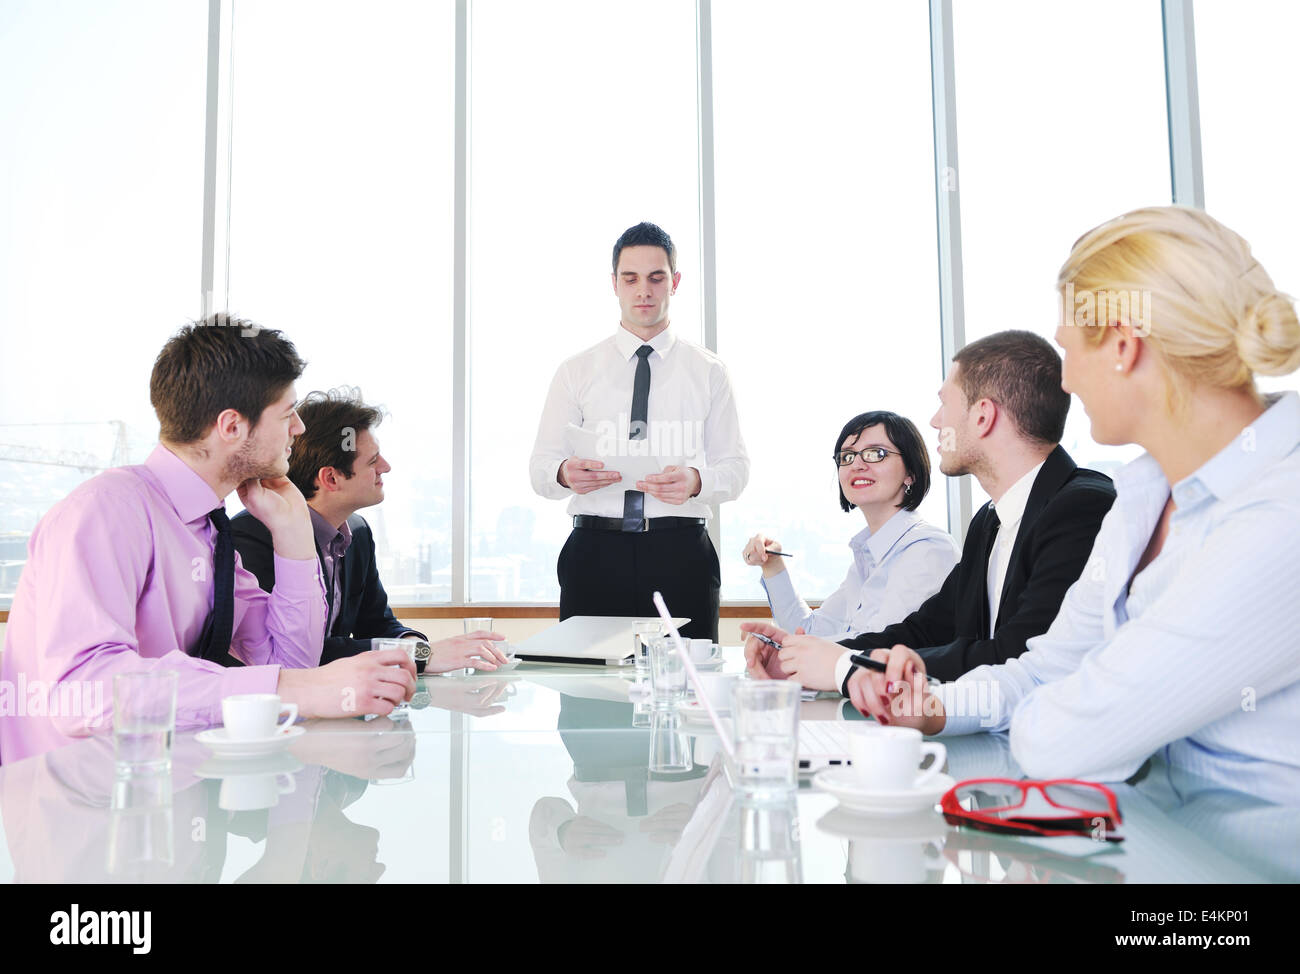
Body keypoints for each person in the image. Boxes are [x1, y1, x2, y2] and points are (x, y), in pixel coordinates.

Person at [850, 206, 1300, 797]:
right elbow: (1043, 670)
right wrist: (932, 705)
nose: (1064, 383)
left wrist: (1046, 704)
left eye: (1069, 352)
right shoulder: (1141, 497)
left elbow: (1076, 735)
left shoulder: (1277, 517)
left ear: (1121, 345)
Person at [0, 316, 416, 764]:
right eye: (287, 413)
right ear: (232, 426)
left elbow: (291, 661)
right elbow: (82, 689)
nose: (298, 429)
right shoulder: (108, 509)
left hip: (161, 798)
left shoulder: (207, 531)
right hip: (79, 808)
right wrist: (289, 690)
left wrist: (294, 533)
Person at [742, 330, 1116, 690]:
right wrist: (804, 656)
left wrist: (844, 668)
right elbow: (925, 630)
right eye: (848, 456)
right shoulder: (989, 521)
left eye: (944, 403)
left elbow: (1017, 657)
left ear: (983, 416)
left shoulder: (1081, 508)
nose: (936, 421)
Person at [529, 222, 749, 640]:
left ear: (675, 281)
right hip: (594, 552)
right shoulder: (576, 371)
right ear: (614, 283)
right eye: (630, 279)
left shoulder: (709, 372)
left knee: (685, 688)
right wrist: (563, 473)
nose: (643, 291)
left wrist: (697, 480)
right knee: (589, 695)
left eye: (656, 278)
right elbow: (540, 467)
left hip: (680, 552)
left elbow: (736, 469)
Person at [231, 387, 508, 673]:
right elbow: (298, 655)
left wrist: (416, 647)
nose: (386, 468)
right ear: (332, 478)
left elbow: (377, 623)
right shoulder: (253, 535)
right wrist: (417, 654)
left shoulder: (357, 531)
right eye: (373, 461)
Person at [741, 410, 957, 640]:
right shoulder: (867, 559)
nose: (857, 464)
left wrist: (788, 646)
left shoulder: (927, 550)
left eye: (876, 453)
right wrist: (773, 566)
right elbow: (810, 630)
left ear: (911, 472)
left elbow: (880, 645)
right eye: (847, 456)